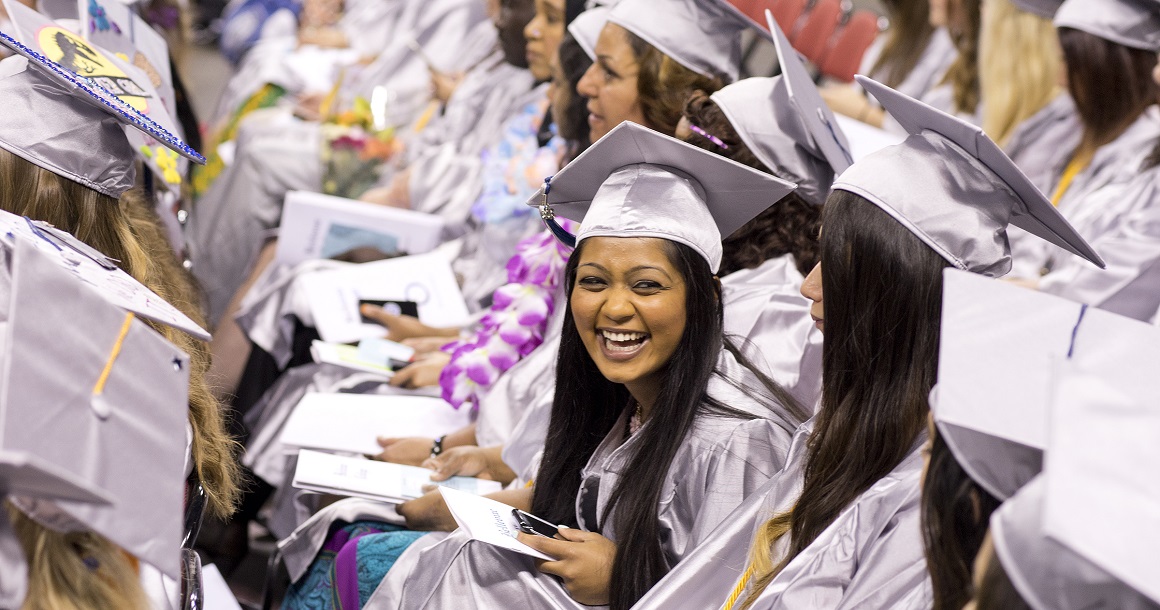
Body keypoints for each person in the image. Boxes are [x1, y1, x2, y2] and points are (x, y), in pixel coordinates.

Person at [1006, 0, 1160, 318]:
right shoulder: (1060, 125)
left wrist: (1012, 289)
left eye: (1070, 64)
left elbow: (1118, 276)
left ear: (1106, 72)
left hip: (1067, 329)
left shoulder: (1149, 157)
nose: (1060, 79)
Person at [820, 0, 957, 128]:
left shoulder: (945, 45)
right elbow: (860, 90)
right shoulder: (899, 30)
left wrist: (863, 112)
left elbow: (913, 123)